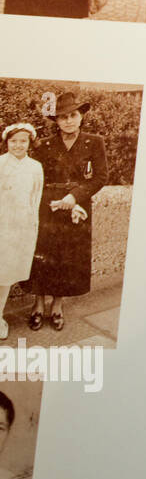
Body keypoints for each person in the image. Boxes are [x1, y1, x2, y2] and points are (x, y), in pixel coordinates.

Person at [29, 94, 108, 334]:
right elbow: (36, 177)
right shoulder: (44, 145)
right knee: (43, 254)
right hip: (48, 206)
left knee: (67, 256)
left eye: (73, 115)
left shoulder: (94, 142)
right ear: (56, 121)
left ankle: (57, 304)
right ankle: (38, 303)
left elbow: (100, 177)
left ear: (81, 116)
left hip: (77, 207)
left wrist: (74, 197)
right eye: (62, 117)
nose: (68, 121)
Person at [0, 124, 43, 341]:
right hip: (1, 223)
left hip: (19, 227)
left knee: (6, 273)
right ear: (7, 142)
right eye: (13, 141)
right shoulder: (0, 164)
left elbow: (36, 198)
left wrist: (31, 224)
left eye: (23, 141)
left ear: (29, 143)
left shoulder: (35, 167)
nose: (18, 145)